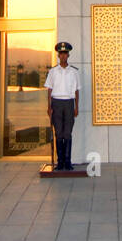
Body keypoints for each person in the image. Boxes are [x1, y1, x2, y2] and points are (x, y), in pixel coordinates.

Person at [44, 42, 80, 170]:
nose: (63, 56)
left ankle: (68, 161)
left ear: (68, 55)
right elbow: (49, 89)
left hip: (69, 103)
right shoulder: (53, 71)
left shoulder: (74, 72)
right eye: (61, 54)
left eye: (65, 54)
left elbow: (77, 90)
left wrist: (76, 107)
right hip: (57, 103)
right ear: (58, 56)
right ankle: (60, 162)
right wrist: (49, 107)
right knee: (58, 133)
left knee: (67, 134)